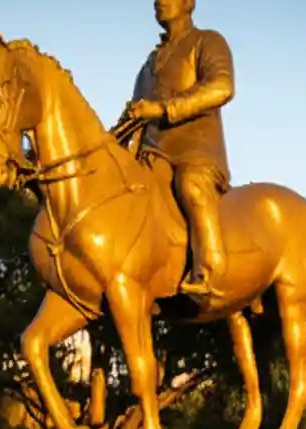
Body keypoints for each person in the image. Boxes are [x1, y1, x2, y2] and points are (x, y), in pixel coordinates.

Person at [123, 0, 235, 298]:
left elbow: (222, 86)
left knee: (192, 186)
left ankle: (209, 270)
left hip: (196, 154)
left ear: (189, 3)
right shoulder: (148, 66)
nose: (159, 2)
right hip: (153, 156)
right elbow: (134, 119)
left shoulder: (207, 41)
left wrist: (163, 109)